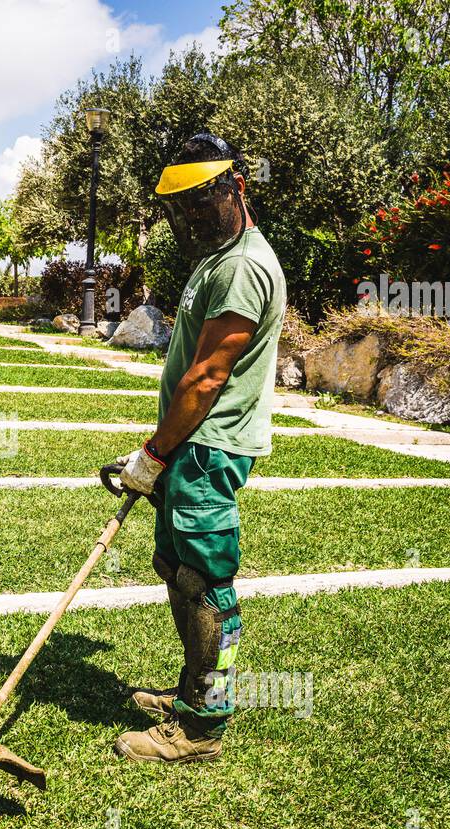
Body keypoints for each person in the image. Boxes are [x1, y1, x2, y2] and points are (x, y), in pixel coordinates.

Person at [111, 132, 286, 764]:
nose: (190, 218)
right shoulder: (220, 257)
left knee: (208, 582)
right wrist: (161, 454)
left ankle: (203, 726)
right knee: (178, 572)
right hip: (190, 447)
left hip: (209, 448)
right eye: (180, 208)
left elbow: (208, 377)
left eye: (201, 203)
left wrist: (153, 455)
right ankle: (190, 690)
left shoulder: (242, 268)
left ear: (236, 188)